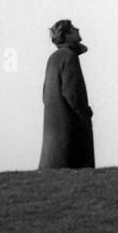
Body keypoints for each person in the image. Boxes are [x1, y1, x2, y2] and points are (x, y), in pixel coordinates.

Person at [38, 20, 95, 170]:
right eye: (74, 28)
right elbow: (72, 92)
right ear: (67, 34)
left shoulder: (54, 57)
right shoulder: (69, 56)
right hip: (69, 124)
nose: (78, 29)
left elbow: (44, 93)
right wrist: (85, 112)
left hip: (54, 122)